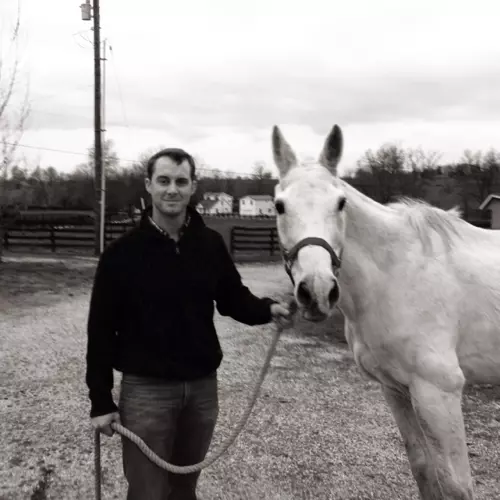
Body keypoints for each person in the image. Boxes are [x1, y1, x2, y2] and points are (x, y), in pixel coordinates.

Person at [85, 147, 293, 500]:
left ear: (193, 186)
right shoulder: (121, 254)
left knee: (185, 488)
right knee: (148, 491)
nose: (172, 190)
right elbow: (101, 331)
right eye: (163, 180)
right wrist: (101, 400)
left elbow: (232, 298)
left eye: (181, 181)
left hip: (201, 390)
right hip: (146, 392)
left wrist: (268, 309)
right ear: (148, 185)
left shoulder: (209, 244)